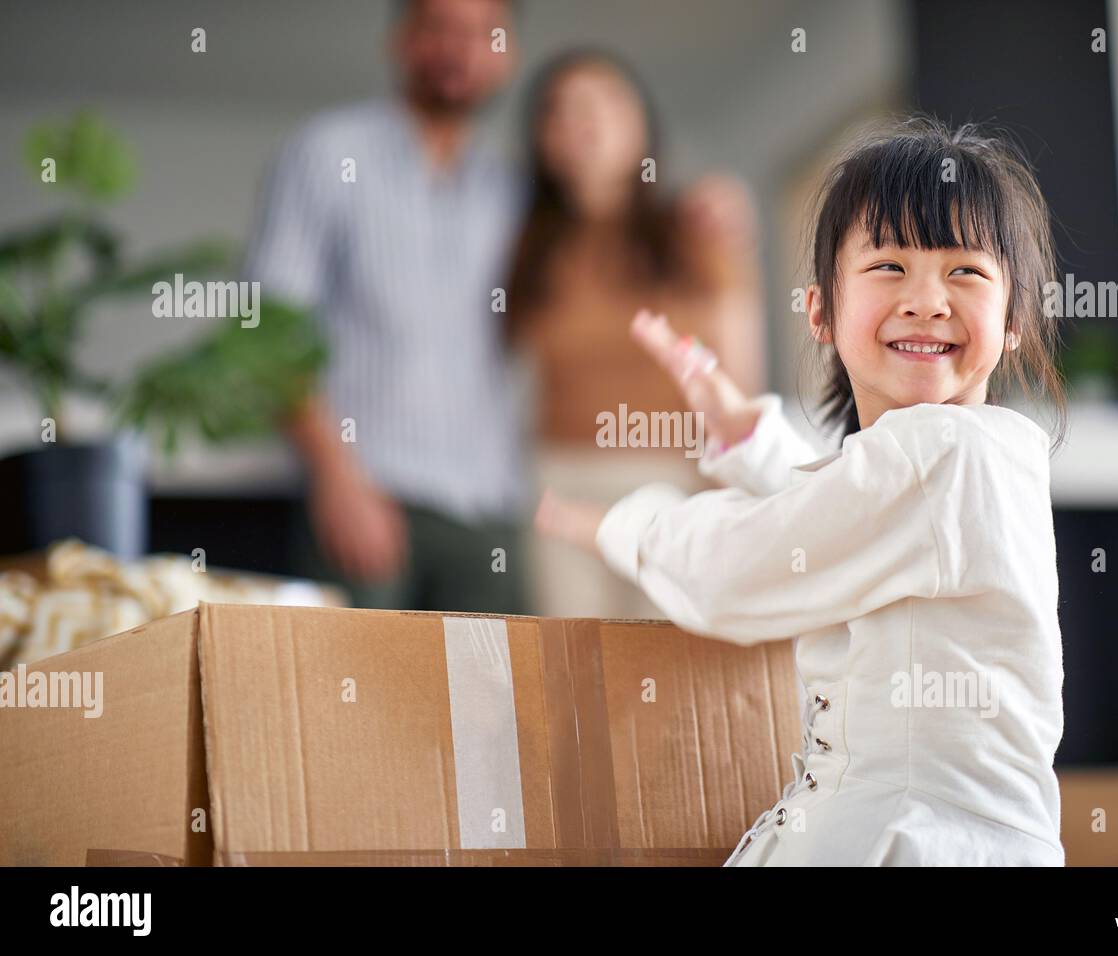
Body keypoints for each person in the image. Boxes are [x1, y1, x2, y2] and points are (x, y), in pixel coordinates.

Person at [537, 116, 1069, 865]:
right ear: (819, 309)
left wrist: (622, 525)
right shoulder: (952, 463)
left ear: (1015, 319)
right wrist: (745, 434)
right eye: (888, 265)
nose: (927, 299)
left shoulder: (946, 456)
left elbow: (739, 569)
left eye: (966, 272)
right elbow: (840, 517)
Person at [245, 0, 530, 614]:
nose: (462, 47)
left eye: (486, 33)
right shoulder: (325, 152)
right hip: (366, 491)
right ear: (400, 40)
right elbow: (269, 329)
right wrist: (336, 479)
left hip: (490, 507)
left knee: (495, 705)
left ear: (509, 56)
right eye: (441, 27)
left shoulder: (513, 189)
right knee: (358, 702)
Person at [504, 49, 765, 618]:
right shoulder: (527, 246)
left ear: (642, 124)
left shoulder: (698, 228)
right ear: (541, 139)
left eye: (602, 103)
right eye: (562, 111)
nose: (582, 124)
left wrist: (732, 491)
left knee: (662, 669)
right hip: (560, 479)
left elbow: (738, 374)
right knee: (570, 673)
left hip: (671, 483)